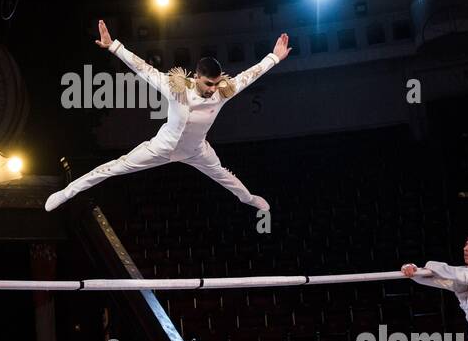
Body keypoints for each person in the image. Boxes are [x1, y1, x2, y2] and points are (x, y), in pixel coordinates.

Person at [46, 19, 288, 212]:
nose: (213, 89)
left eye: (216, 84)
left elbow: (250, 74)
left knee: (226, 177)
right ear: (196, 77)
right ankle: (67, 192)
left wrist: (274, 57)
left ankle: (250, 200)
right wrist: (113, 46)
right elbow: (143, 67)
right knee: (114, 168)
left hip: (197, 151)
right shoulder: (175, 87)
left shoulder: (223, 92)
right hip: (161, 148)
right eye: (208, 84)